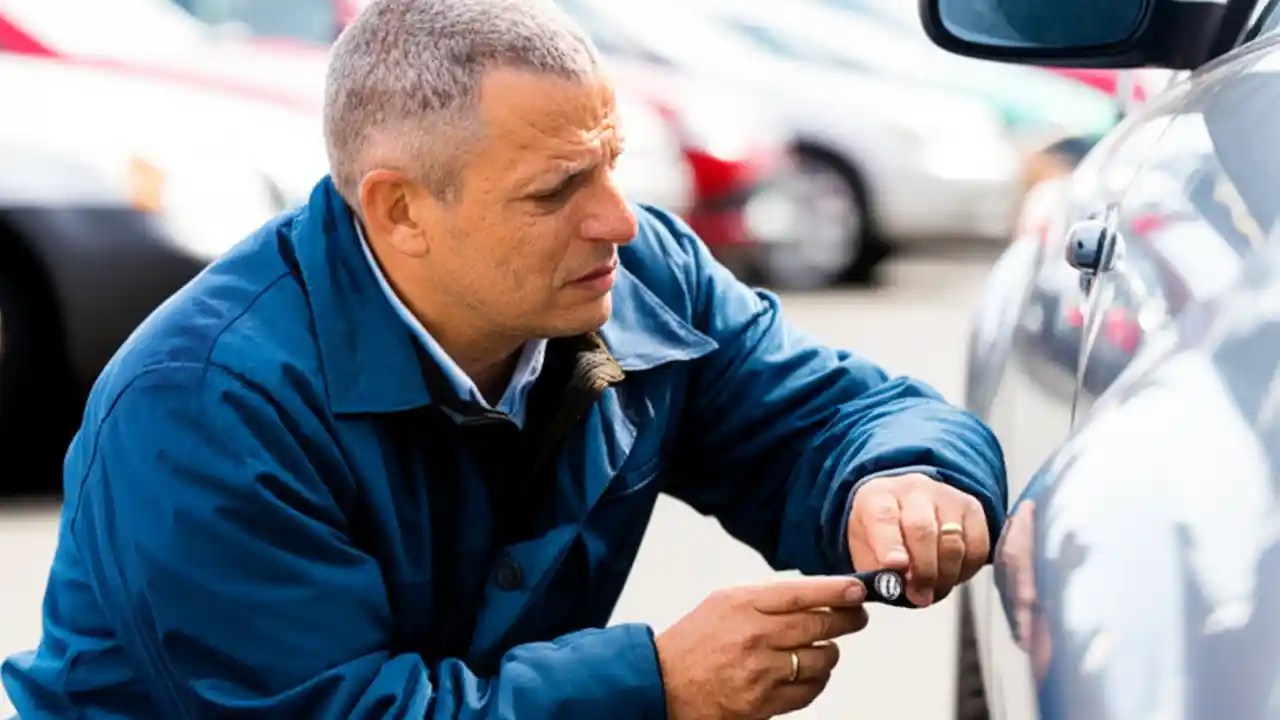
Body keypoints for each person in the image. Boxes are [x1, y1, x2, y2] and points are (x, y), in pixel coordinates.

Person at [0, 1, 1008, 717]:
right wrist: (654, 686)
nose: (617, 217)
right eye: (556, 188)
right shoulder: (205, 407)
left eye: (612, 162)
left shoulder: (636, 276)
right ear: (399, 210)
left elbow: (816, 417)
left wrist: (902, 477)